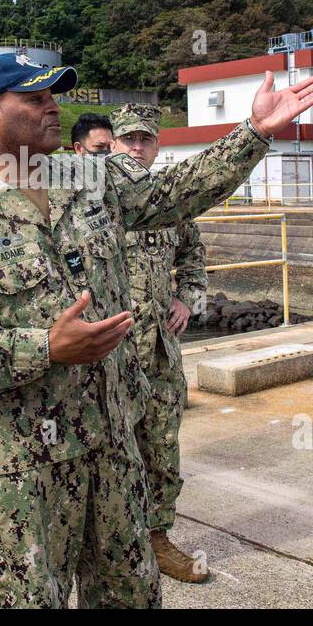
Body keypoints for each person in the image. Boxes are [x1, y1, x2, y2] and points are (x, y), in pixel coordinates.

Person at [0, 52, 313, 608]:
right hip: (23, 463)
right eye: (35, 99)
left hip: (111, 441)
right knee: (29, 599)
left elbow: (177, 192)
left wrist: (254, 133)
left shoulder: (88, 178)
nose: (54, 108)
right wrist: (44, 348)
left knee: (129, 593)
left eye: (54, 95)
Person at [111, 104, 208, 583]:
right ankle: (115, 545)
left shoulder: (172, 204)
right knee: (112, 453)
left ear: (156, 146)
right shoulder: (97, 200)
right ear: (112, 143)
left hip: (161, 354)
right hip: (113, 356)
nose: (135, 146)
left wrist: (188, 299)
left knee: (163, 451)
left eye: (144, 140)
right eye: (127, 138)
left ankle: (158, 538)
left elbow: (193, 257)